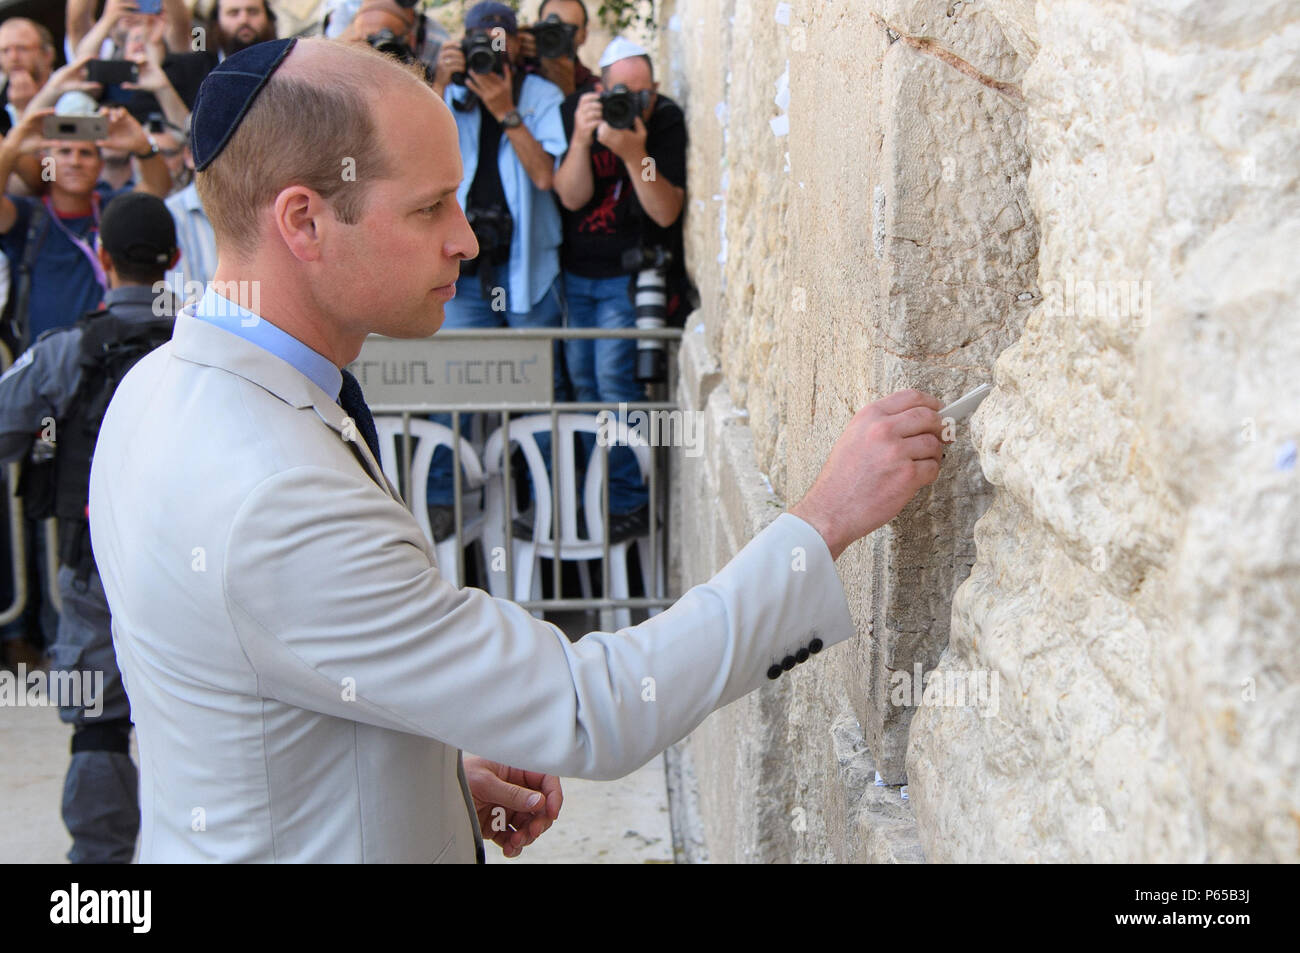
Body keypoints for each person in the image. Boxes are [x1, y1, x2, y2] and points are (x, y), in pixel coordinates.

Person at [87, 37, 948, 863]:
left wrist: (429, 778)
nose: (465, 239)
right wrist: (824, 518)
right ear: (305, 220)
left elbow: (260, 707)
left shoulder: (156, 390)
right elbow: (592, 707)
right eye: (430, 207)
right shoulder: (274, 497)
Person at [0, 191, 182, 863]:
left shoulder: (65, 351)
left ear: (101, 257)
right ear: (177, 258)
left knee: (100, 728)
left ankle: (103, 883)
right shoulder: (208, 343)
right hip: (196, 568)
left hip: (97, 574)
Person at [425, 1, 569, 542]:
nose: (489, 51)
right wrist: (438, 81)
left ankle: (544, 508)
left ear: (517, 44)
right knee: (451, 393)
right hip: (464, 274)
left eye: (499, 40)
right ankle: (441, 500)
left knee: (540, 397)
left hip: (526, 270)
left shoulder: (539, 97)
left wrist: (507, 109)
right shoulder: (448, 100)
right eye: (478, 41)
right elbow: (407, 156)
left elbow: (544, 176)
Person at [553, 38, 688, 541]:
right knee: (583, 388)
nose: (631, 103)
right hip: (576, 274)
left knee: (615, 385)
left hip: (628, 277)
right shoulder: (576, 113)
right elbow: (571, 197)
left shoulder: (665, 119)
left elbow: (665, 211)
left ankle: (627, 504)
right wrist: (581, 141)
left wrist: (635, 155)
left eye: (641, 94)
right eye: (618, 93)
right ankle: (597, 497)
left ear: (653, 92)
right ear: (599, 88)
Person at [520, 0, 597, 97]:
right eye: (550, 28)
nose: (556, 37)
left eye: (567, 29)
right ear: (537, 27)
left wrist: (569, 94)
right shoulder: (520, 67)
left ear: (584, 35)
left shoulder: (593, 88)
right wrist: (512, 47)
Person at [0, 17, 56, 133]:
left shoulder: (69, 94)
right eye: (5, 51)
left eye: (22, 49)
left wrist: (25, 109)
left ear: (47, 55)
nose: (13, 57)